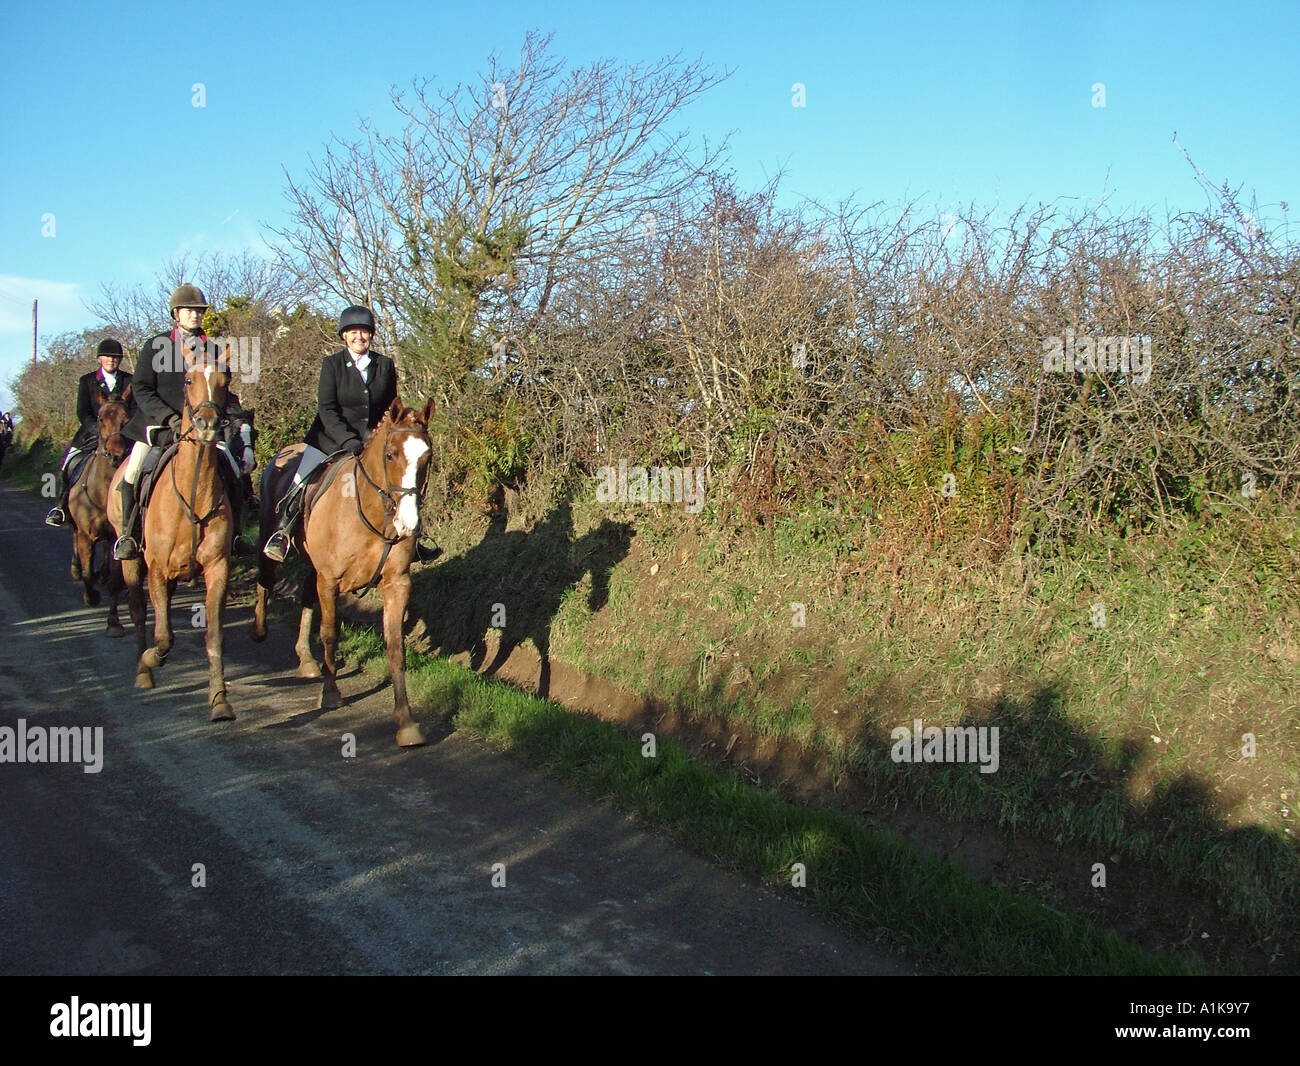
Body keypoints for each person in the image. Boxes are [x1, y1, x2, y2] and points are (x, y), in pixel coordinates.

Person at [263, 304, 439, 563]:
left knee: (401, 481)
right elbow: (326, 408)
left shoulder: (385, 365)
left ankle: (413, 540)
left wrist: (377, 439)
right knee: (298, 483)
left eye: (364, 331)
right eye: (353, 331)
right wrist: (348, 440)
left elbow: (392, 410)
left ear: (371, 335)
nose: (359, 336)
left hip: (371, 442)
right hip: (328, 440)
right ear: (344, 335)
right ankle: (282, 532)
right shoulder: (332, 364)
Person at [113, 284, 255, 560]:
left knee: (234, 471)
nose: (195, 315)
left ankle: (235, 536)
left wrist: (236, 419)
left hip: (203, 429)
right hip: (159, 426)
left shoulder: (214, 349)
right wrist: (169, 418)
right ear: (176, 313)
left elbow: (223, 390)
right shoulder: (156, 345)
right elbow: (141, 388)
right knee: (133, 472)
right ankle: (129, 535)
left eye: (199, 311)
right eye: (190, 310)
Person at [45, 338, 135, 526]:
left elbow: (135, 409)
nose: (112, 360)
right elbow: (82, 410)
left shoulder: (130, 380)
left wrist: (124, 430)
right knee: (68, 461)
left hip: (121, 435)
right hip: (92, 432)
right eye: (108, 357)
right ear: (99, 359)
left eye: (116, 357)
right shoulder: (87, 381)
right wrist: (96, 429)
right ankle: (60, 506)